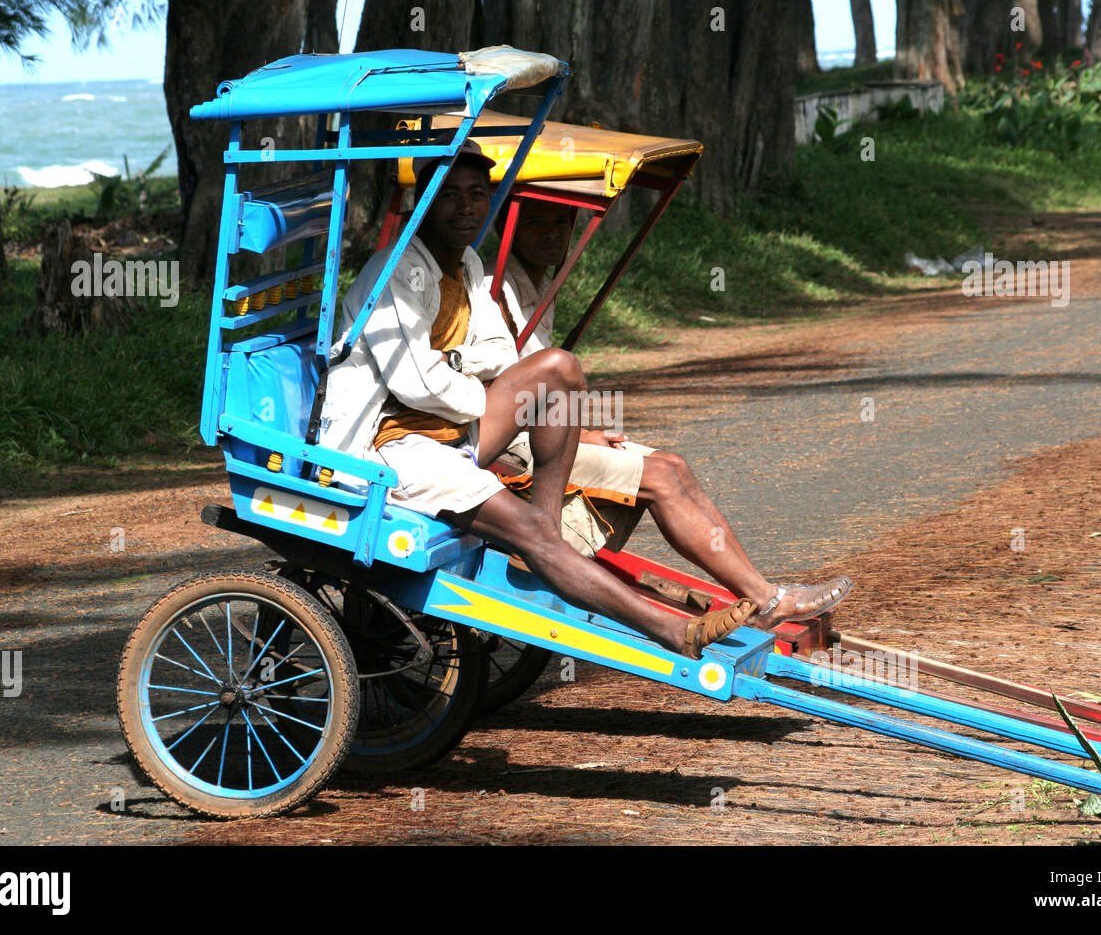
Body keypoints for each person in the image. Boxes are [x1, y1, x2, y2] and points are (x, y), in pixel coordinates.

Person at [319, 140, 772, 658]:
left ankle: (547, 524)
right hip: (394, 447)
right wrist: (472, 392)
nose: (466, 207)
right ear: (422, 201)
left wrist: (456, 367)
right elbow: (415, 383)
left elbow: (497, 354)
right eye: (449, 195)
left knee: (558, 368)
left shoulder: (466, 263)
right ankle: (671, 629)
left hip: (450, 430)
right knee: (534, 522)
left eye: (476, 194)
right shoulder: (395, 271)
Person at [484, 197, 853, 626]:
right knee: (658, 478)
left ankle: (759, 593)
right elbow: (500, 393)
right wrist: (579, 437)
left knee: (672, 464)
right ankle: (768, 600)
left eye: (559, 222)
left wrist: (579, 432)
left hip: (543, 435)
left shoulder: (533, 286)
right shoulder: (498, 293)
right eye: (535, 223)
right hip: (513, 450)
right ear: (506, 229)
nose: (551, 233)